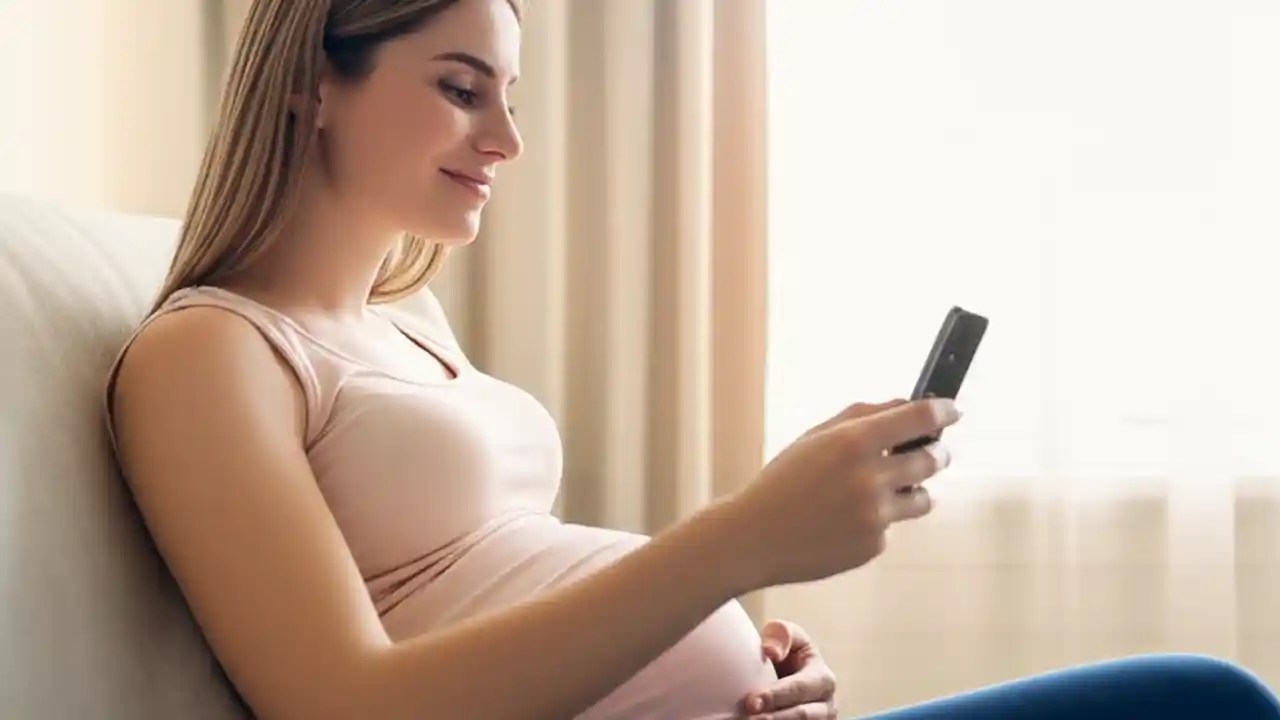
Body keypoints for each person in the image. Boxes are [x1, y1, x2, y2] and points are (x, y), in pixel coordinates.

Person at [102, 1, 1280, 718]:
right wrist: (735, 544)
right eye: (461, 90)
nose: (506, 141)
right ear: (313, 77)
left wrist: (742, 648)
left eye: (508, 96)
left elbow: (508, 599)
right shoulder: (210, 352)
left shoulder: (408, 326)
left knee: (1206, 700)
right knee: (1204, 705)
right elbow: (345, 708)